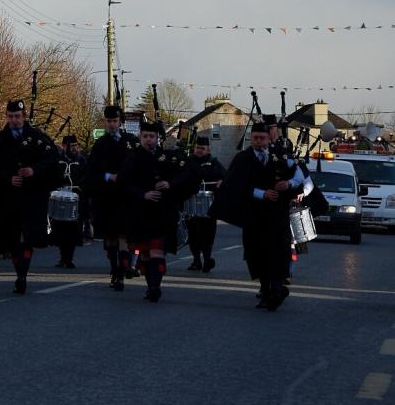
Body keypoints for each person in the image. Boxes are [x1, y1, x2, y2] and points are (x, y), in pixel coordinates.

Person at [213, 121, 304, 310]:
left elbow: (299, 176)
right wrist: (261, 193)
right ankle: (266, 291)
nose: (258, 142)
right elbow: (235, 185)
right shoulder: (243, 158)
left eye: (262, 138)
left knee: (278, 253)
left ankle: (277, 290)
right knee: (258, 254)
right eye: (255, 138)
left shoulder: (280, 155)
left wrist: (288, 184)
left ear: (269, 138)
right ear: (250, 138)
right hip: (254, 215)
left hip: (277, 215)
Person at [0, 99, 59, 295]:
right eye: (10, 116)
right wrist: (8, 178)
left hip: (32, 196)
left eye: (17, 116)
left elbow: (52, 159)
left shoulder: (37, 137)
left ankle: (22, 274)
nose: (14, 120)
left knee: (27, 238)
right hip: (8, 198)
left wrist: (34, 170)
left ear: (24, 117)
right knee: (13, 239)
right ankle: (19, 274)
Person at [119, 119, 198, 303]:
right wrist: (143, 194)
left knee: (157, 250)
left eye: (152, 136)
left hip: (162, 213)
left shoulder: (169, 156)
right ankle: (150, 286)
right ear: (140, 137)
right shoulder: (132, 157)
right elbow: (124, 182)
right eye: (145, 136)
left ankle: (155, 287)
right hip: (140, 212)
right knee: (145, 253)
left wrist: (171, 183)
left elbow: (188, 171)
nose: (148, 140)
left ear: (158, 138)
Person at [83, 105, 139, 290]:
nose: (112, 125)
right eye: (109, 121)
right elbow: (91, 172)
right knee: (110, 238)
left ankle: (121, 274)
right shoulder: (100, 145)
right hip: (106, 196)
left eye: (115, 121)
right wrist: (107, 176)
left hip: (125, 196)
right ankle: (114, 268)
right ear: (105, 122)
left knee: (123, 235)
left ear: (120, 121)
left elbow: (139, 166)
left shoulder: (130, 142)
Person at [184, 134, 225, 272]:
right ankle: (196, 260)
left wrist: (221, 181)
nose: (199, 150)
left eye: (202, 148)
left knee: (208, 234)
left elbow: (225, 176)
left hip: (209, 204)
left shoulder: (214, 162)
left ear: (208, 149)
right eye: (197, 148)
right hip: (191, 202)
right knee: (193, 234)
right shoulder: (188, 161)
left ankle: (207, 259)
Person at [52, 134, 86, 269]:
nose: (73, 149)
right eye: (69, 146)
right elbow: (52, 174)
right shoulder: (57, 160)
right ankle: (62, 257)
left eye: (74, 146)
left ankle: (69, 258)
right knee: (60, 228)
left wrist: (81, 187)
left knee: (73, 229)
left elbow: (87, 175)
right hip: (60, 198)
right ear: (63, 146)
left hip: (76, 199)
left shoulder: (81, 161)